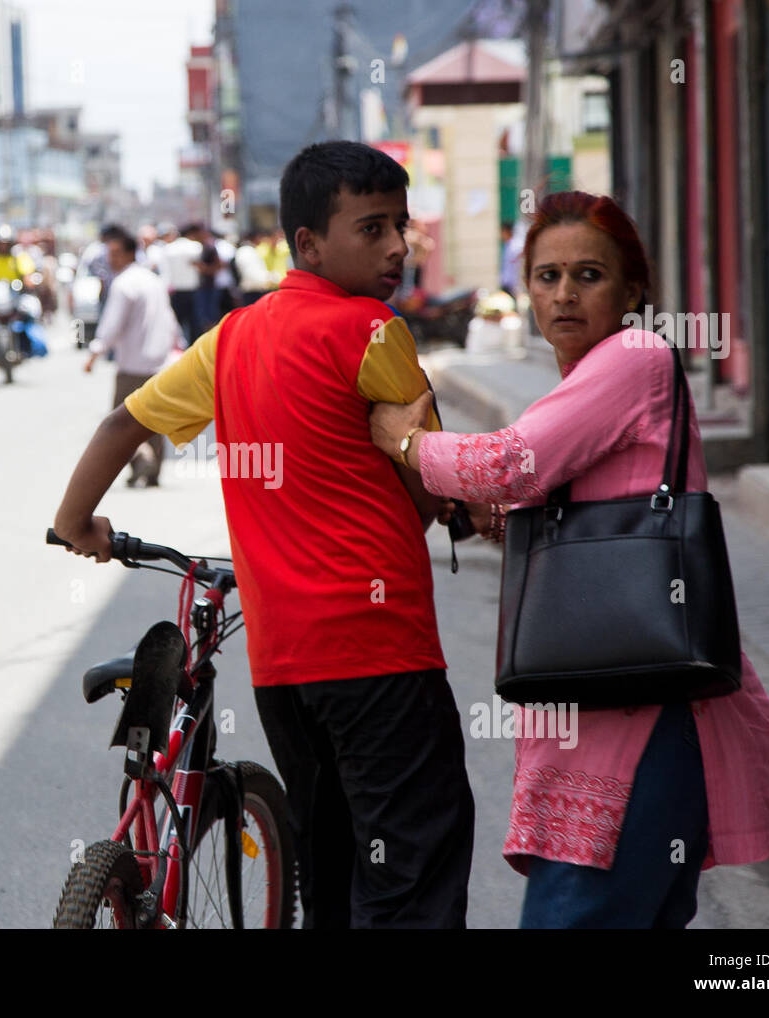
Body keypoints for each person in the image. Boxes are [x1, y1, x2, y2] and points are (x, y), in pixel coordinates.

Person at [53, 140, 475, 928]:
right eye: (372, 228)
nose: (395, 247)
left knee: (331, 866)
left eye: (400, 226)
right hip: (381, 650)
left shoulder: (231, 338)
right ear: (308, 243)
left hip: (286, 672)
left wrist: (76, 522)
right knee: (412, 868)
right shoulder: (374, 330)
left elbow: (124, 420)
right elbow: (432, 481)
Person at [370, 190, 769, 929]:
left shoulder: (632, 357)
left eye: (589, 276)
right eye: (546, 276)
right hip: (613, 700)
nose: (563, 294)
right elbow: (567, 507)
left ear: (634, 290)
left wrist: (404, 442)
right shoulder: (586, 378)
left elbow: (513, 461)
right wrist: (495, 514)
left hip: (636, 715)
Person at [82, 227, 182, 488]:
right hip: (159, 362)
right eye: (109, 253)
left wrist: (95, 353)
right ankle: (153, 471)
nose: (111, 259)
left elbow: (111, 325)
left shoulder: (124, 283)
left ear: (129, 253)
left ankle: (141, 460)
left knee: (120, 424)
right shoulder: (152, 280)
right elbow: (170, 319)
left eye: (115, 253)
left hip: (133, 365)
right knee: (155, 419)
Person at [161, 223, 206, 346]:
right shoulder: (196, 247)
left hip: (176, 291)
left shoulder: (169, 248)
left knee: (176, 323)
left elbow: (165, 271)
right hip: (192, 290)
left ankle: (177, 347)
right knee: (194, 324)